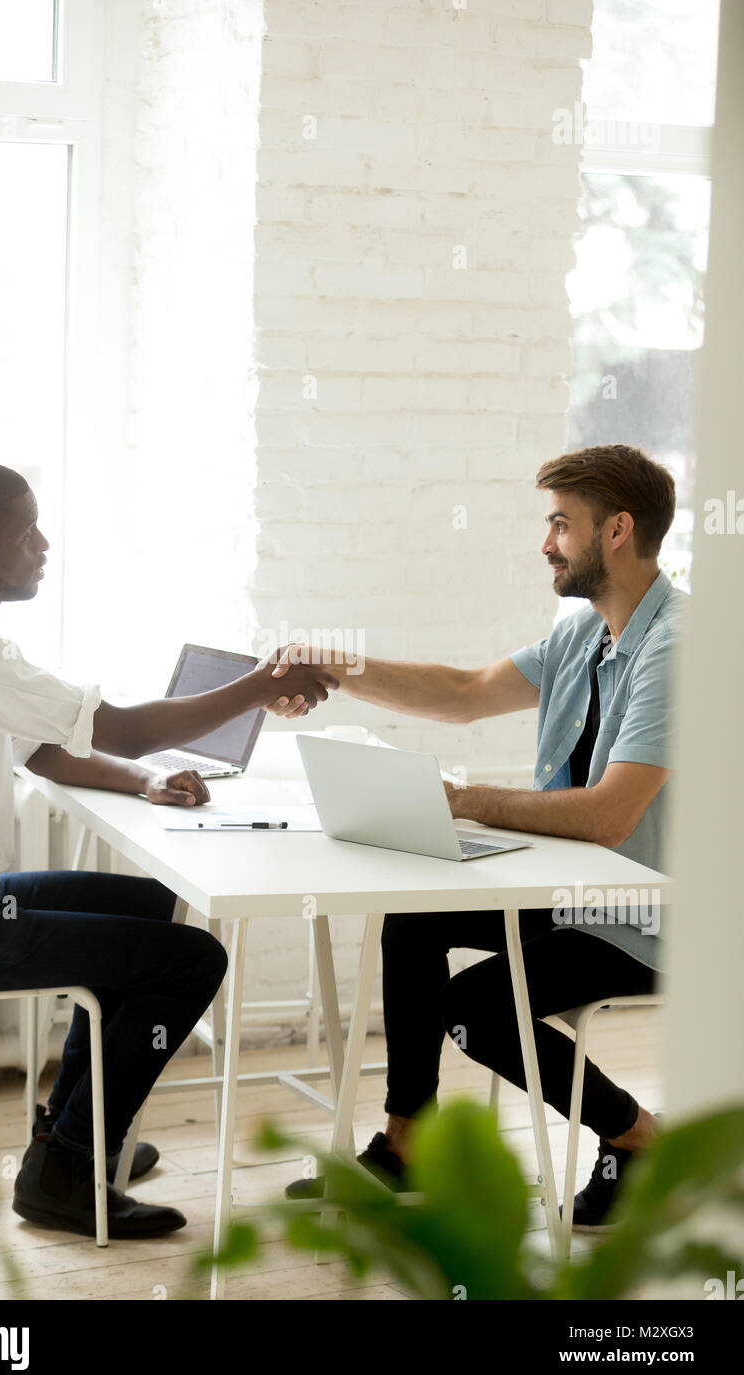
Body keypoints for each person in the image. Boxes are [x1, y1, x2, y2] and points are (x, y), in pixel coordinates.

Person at [0, 458, 334, 1239]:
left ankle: (72, 1140)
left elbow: (41, 745)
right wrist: (261, 687)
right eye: (27, 533)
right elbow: (117, 723)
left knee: (150, 905)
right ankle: (65, 1171)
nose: (45, 544)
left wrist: (141, 783)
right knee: (191, 961)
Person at [274, 444, 683, 1230]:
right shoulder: (583, 637)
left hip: (650, 912)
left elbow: (608, 816)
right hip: (577, 892)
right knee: (416, 917)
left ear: (618, 531)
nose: (546, 542)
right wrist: (335, 665)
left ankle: (634, 1135)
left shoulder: (679, 646)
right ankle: (405, 1148)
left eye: (561, 524)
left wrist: (462, 801)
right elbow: (463, 694)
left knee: (478, 1007)